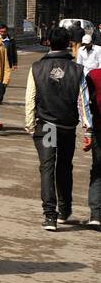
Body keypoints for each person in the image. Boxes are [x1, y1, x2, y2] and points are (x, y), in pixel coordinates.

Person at [26, 27, 85, 230]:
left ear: (48, 42)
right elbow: (82, 102)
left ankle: (49, 215)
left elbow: (30, 98)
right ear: (69, 42)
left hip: (48, 126)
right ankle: (65, 208)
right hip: (68, 126)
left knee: (47, 167)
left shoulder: (36, 67)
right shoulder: (78, 69)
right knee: (65, 166)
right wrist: (88, 128)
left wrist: (29, 124)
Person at [83, 67, 100, 229]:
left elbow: (86, 103)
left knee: (98, 170)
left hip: (99, 129)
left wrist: (87, 132)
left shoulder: (94, 75)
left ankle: (96, 214)